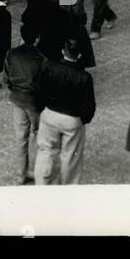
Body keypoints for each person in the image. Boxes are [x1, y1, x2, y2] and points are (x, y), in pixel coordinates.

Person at [33, 38, 95, 186]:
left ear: (63, 51)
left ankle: (41, 183)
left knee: (45, 151)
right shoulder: (84, 77)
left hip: (49, 115)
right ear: (79, 55)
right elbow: (89, 105)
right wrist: (83, 119)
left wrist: (42, 109)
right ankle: (68, 187)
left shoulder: (49, 67)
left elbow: (39, 91)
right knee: (70, 156)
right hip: (72, 120)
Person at [4, 23, 46, 184]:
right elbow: (44, 84)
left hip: (17, 100)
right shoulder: (41, 58)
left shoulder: (11, 54)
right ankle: (38, 172)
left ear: (21, 37)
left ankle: (21, 175)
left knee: (21, 139)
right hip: (35, 103)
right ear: (37, 39)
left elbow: (6, 79)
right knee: (39, 137)